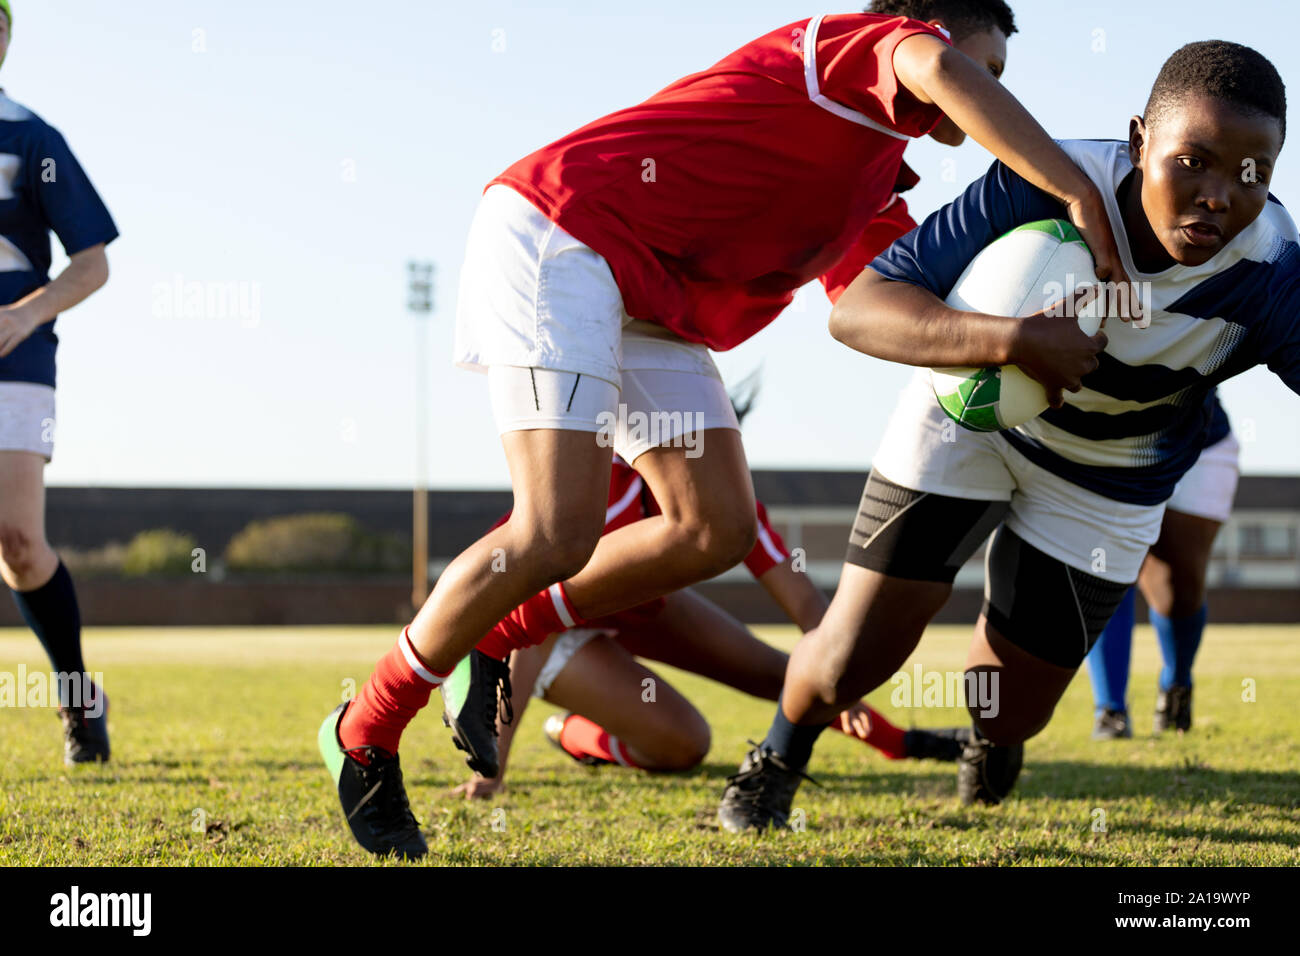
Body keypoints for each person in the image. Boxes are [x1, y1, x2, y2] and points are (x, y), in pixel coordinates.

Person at [319, 0, 1129, 859]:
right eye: (989, 68)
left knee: (715, 529)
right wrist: (1074, 187)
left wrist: (1018, 348)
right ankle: (365, 731)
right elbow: (939, 70)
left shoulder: (876, 181)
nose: (990, 90)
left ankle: (498, 635)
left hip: (650, 302)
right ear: (925, 27)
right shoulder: (857, 49)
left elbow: (873, 314)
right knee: (556, 529)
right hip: (563, 232)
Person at [718, 39, 1294, 830]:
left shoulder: (1273, 272)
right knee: (854, 655)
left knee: (1008, 709)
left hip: (1111, 471)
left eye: (1250, 174)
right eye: (1192, 161)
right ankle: (777, 757)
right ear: (1138, 141)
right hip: (970, 423)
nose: (1218, 195)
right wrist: (1012, 343)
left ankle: (988, 739)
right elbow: (859, 309)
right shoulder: (1042, 178)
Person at [447, 451, 973, 800]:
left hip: (630, 607)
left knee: (784, 676)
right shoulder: (606, 494)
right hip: (534, 631)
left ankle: (903, 742)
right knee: (685, 745)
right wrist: (490, 768)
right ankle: (576, 735)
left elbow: (813, 615)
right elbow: (522, 633)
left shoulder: (728, 502)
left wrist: (877, 720)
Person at [0, 1, 118, 765]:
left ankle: (78, 697)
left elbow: (93, 262)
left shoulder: (33, 138)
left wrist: (27, 311)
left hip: (17, 357)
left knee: (17, 542)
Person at [1086, 394, 1238, 738]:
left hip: (1196, 437)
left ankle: (1177, 683)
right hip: (1099, 439)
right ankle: (1110, 710)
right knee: (1107, 569)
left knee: (1178, 590)